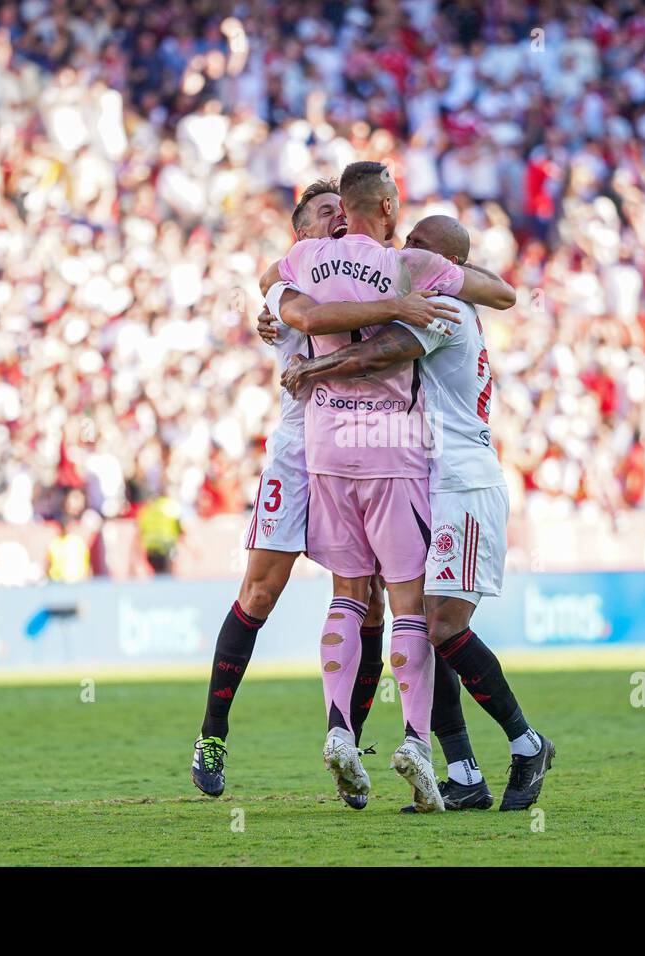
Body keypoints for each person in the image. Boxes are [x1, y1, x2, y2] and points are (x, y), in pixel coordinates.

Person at [190, 179, 462, 805]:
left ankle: (351, 744)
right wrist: (402, 305)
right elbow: (297, 309)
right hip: (301, 450)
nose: (336, 219)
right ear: (303, 231)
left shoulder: (368, 270)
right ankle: (212, 735)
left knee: (365, 599)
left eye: (340, 210)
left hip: (342, 448)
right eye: (322, 213)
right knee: (262, 590)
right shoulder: (294, 279)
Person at [280, 214, 554, 812]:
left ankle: (528, 743)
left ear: (447, 266)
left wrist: (309, 366)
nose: (405, 255)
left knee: (442, 625)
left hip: (465, 483)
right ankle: (463, 773)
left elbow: (376, 356)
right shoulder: (434, 299)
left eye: (420, 249)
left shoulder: (445, 311)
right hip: (436, 479)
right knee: (426, 628)